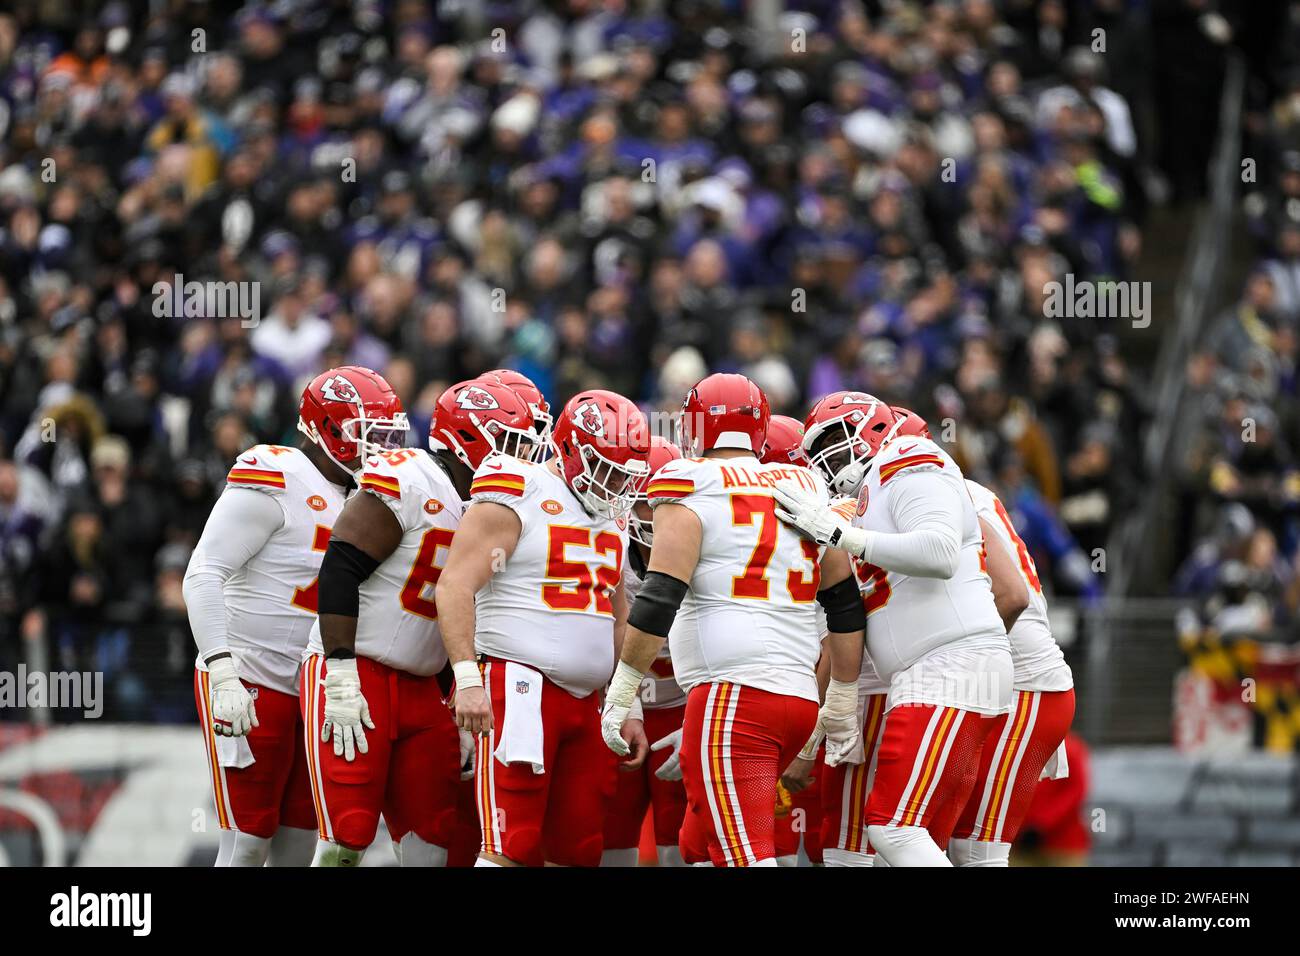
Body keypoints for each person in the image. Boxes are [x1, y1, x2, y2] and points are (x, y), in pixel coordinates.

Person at [601, 374, 867, 867]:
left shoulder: (688, 481)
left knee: (745, 856)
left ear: (694, 428)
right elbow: (845, 601)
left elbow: (660, 596)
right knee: (697, 846)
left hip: (733, 695)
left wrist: (621, 693)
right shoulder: (801, 482)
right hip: (797, 697)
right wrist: (842, 698)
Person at [302, 376, 540, 866]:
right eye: (510, 444)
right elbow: (340, 569)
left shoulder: (488, 506)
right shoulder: (410, 477)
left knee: (432, 837)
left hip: (421, 690)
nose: (519, 459)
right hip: (358, 670)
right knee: (346, 836)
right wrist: (340, 674)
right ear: (471, 440)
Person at [774, 391, 1013, 867]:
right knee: (914, 838)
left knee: (892, 827)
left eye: (835, 441)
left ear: (874, 429)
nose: (826, 458)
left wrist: (843, 536)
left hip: (949, 666)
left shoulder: (909, 458)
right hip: (933, 672)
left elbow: (941, 552)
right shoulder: (866, 497)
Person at [182, 365, 406, 866]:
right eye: (367, 434)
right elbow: (202, 574)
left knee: (299, 843)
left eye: (388, 435)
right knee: (247, 841)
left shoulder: (369, 497)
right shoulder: (278, 474)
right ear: (327, 430)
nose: (378, 448)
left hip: (314, 691)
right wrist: (222, 672)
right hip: (251, 676)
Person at [436, 389, 651, 866]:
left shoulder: (613, 514)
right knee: (510, 844)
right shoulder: (520, 489)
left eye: (625, 472)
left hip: (584, 702)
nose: (616, 483)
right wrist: (468, 679)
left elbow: (615, 616)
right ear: (571, 449)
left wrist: (628, 702)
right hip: (519, 687)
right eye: (607, 467)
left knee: (577, 851)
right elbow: (454, 586)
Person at [601, 435, 690, 867]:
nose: (654, 517)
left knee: (681, 843)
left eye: (664, 503)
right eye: (644, 503)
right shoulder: (604, 548)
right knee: (610, 840)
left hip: (682, 707)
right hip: (619, 706)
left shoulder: (705, 546)